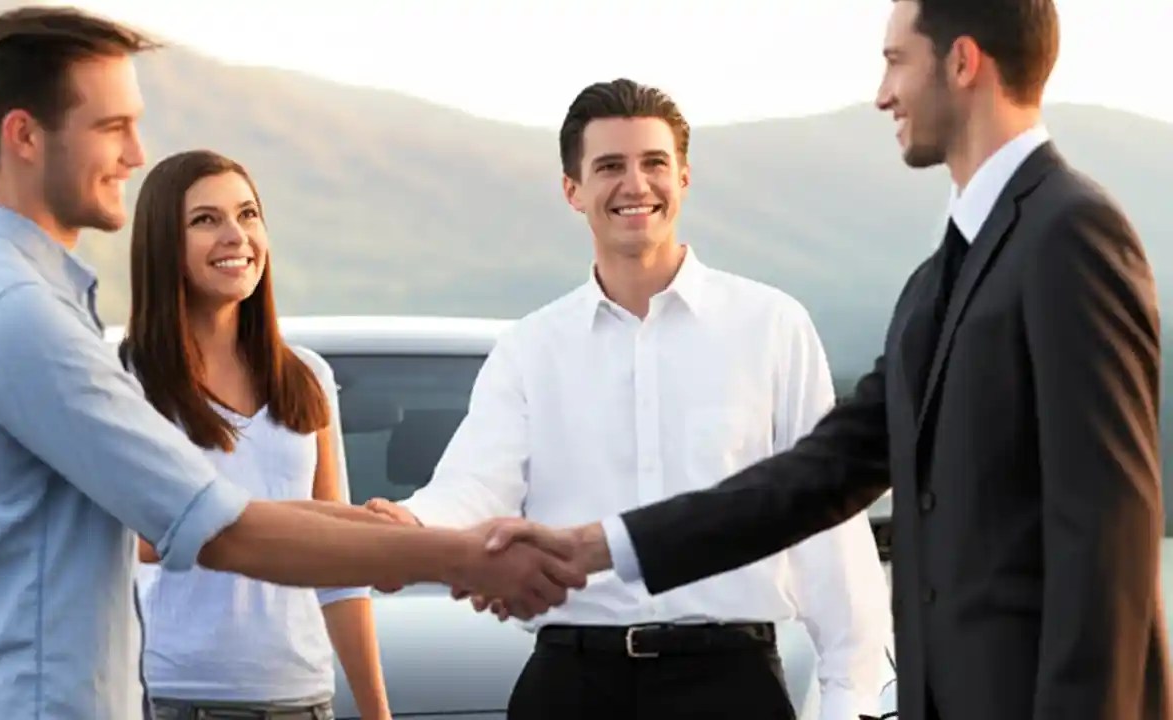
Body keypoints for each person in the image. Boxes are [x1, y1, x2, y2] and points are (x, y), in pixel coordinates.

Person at [484, 2, 1169, 719]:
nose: (882, 94)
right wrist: (600, 547)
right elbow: (818, 476)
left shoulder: (1072, 233)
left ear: (963, 63)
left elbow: (1107, 543)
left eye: (896, 61)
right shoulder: (937, 282)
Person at [0, 8, 583, 720]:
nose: (137, 154)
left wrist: (404, 537)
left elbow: (251, 514)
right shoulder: (21, 314)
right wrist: (456, 559)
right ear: (24, 136)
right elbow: (219, 529)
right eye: (112, 127)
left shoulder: (31, 297)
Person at [367, 78, 891, 720]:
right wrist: (410, 526)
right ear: (573, 190)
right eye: (610, 166)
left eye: (654, 163)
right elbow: (475, 487)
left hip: (730, 686)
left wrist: (849, 698)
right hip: (571, 686)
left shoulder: (772, 326)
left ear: (685, 178)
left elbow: (825, 522)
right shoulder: (531, 347)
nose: (635, 185)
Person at [122, 149, 391, 720]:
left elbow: (338, 572)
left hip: (304, 699)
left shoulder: (308, 377)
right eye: (205, 219)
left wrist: (375, 712)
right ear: (163, 243)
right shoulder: (124, 381)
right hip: (173, 699)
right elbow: (115, 536)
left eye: (247, 215)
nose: (235, 235)